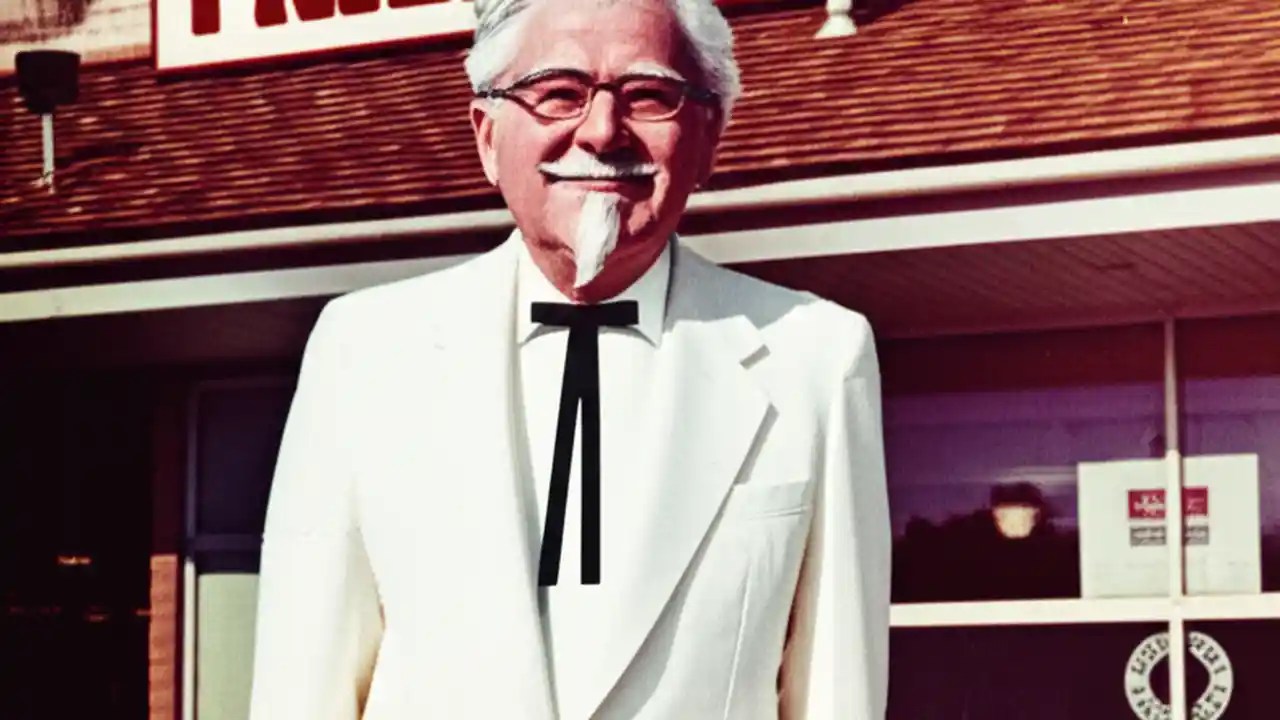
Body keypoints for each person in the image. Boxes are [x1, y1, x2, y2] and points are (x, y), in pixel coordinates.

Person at [246, 0, 891, 718]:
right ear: (488, 137)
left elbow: (839, 692)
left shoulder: (816, 359)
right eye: (558, 92)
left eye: (649, 94)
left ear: (709, 137)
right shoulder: (362, 352)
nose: (602, 130)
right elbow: (301, 691)